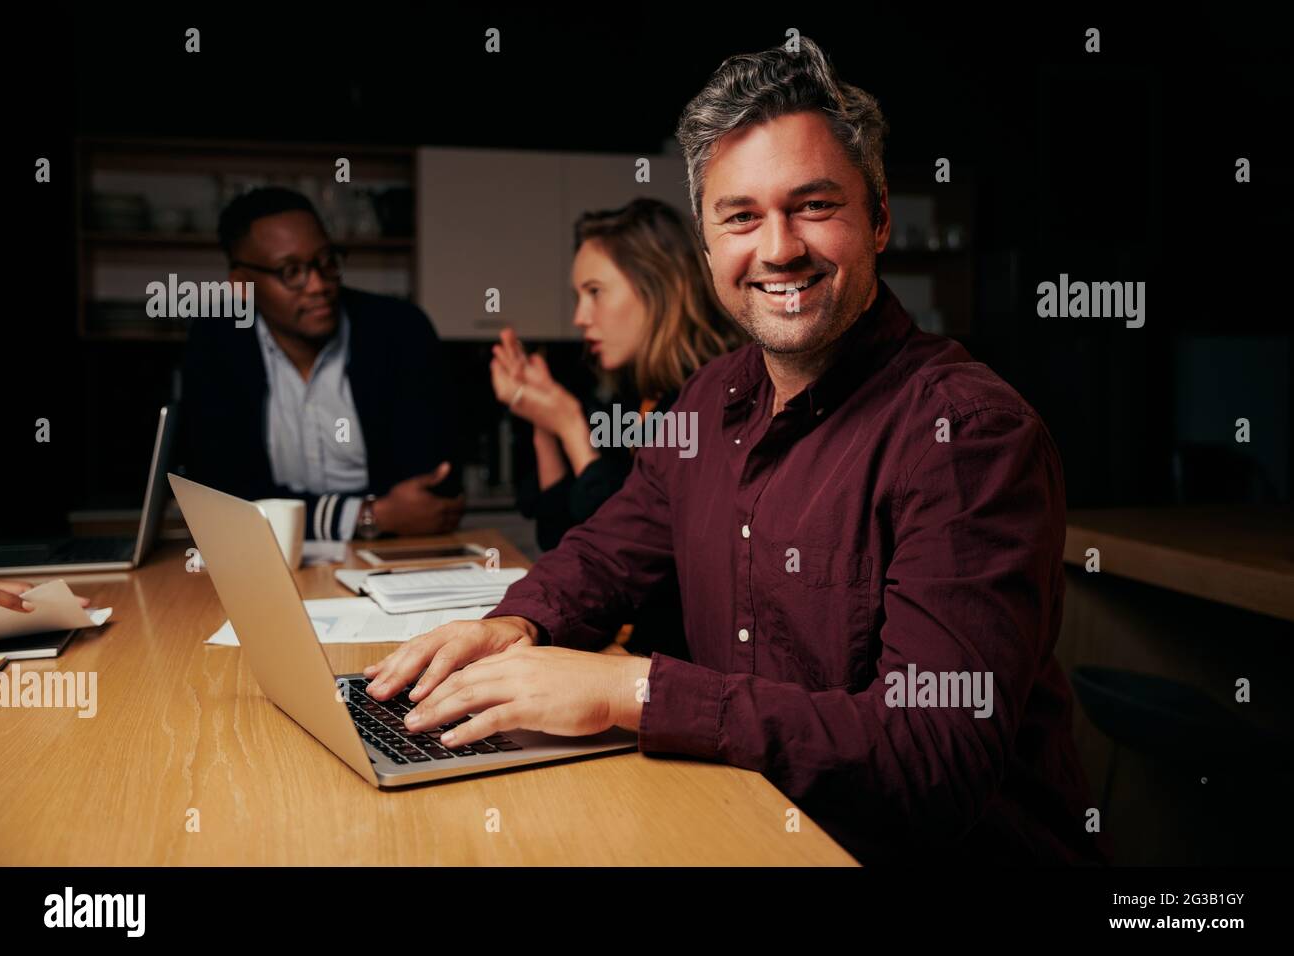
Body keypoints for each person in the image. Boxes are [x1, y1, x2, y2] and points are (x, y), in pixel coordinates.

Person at [363, 37, 1106, 864]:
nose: (780, 247)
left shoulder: (966, 434)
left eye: (815, 206)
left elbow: (930, 757)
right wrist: (513, 624)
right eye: (742, 216)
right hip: (744, 824)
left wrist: (631, 690)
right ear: (709, 243)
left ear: (881, 217)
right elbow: (607, 554)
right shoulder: (710, 398)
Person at [488, 198, 741, 657]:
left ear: (657, 287)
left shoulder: (711, 398)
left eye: (595, 292)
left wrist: (569, 426)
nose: (580, 317)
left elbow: (640, 558)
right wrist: (541, 420)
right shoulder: (637, 399)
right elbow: (568, 538)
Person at [179, 187, 463, 541]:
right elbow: (223, 502)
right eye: (290, 271)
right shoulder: (216, 344)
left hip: (395, 556)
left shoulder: (399, 330)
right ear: (242, 284)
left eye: (327, 261)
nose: (317, 285)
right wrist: (369, 515)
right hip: (270, 558)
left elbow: (430, 496)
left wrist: (379, 517)